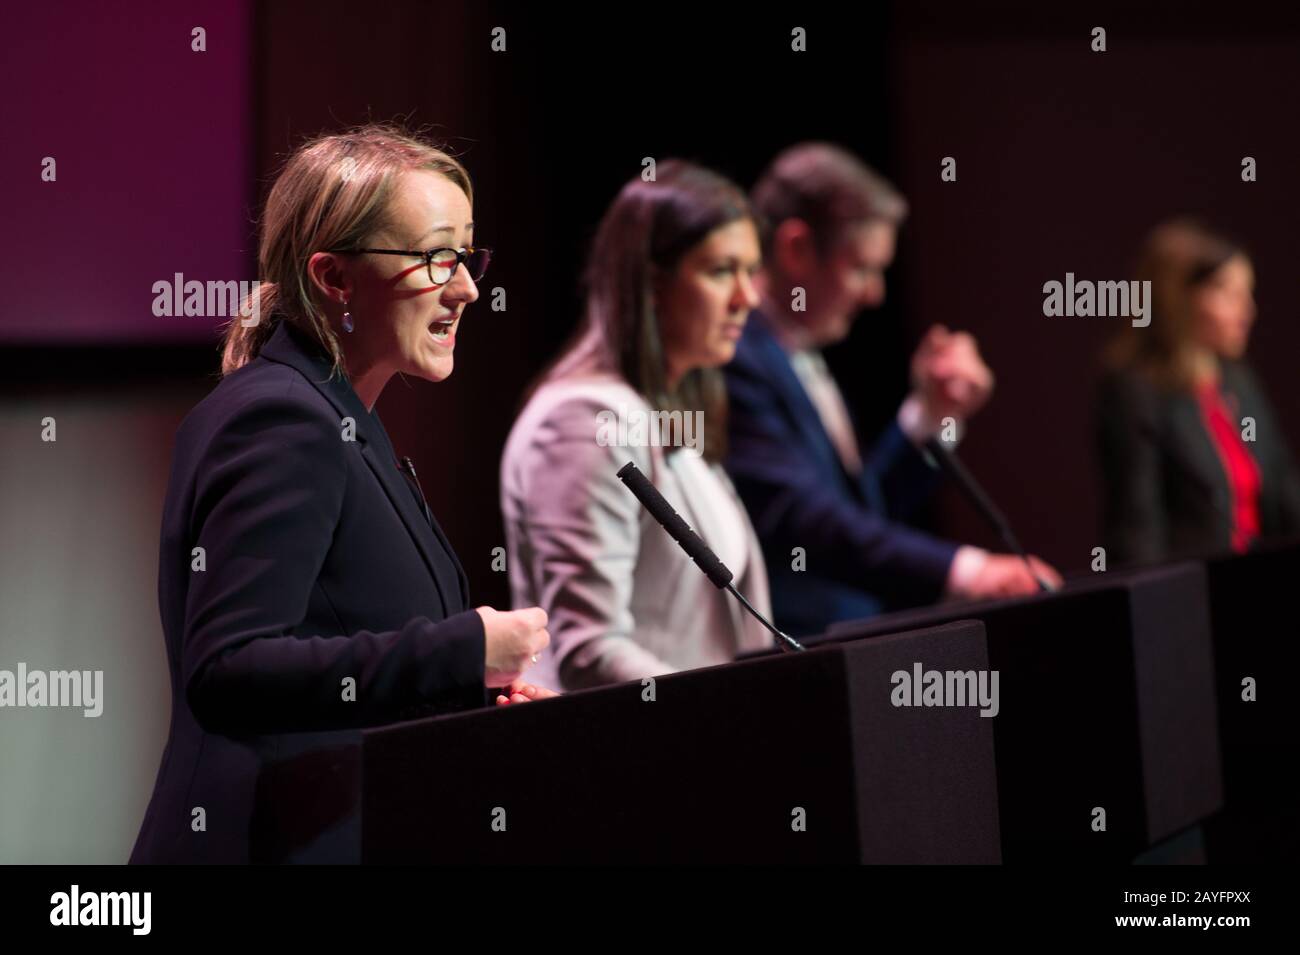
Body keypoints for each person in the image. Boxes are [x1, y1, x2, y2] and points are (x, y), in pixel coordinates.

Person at [131, 124, 553, 865]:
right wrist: (462, 649)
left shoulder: (335, 417)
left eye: (466, 254)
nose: (466, 287)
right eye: (434, 258)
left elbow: (336, 648)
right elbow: (228, 667)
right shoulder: (285, 417)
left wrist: (475, 699)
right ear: (333, 277)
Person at [725, 143, 1060, 637]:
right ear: (796, 249)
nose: (874, 293)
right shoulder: (738, 357)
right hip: (795, 657)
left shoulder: (796, 353)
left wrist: (931, 415)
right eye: (861, 268)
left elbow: (862, 511)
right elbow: (808, 521)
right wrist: (968, 571)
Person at [500, 161, 773, 691]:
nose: (749, 298)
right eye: (721, 271)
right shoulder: (580, 422)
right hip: (633, 756)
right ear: (650, 284)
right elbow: (589, 649)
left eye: (751, 271)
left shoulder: (662, 407)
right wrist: (728, 716)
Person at [1097, 218, 1300, 566]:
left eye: (1248, 293)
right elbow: (1137, 527)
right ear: (1180, 297)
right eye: (1230, 294)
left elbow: (1284, 491)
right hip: (1196, 599)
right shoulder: (1135, 391)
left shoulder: (1238, 382)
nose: (1247, 310)